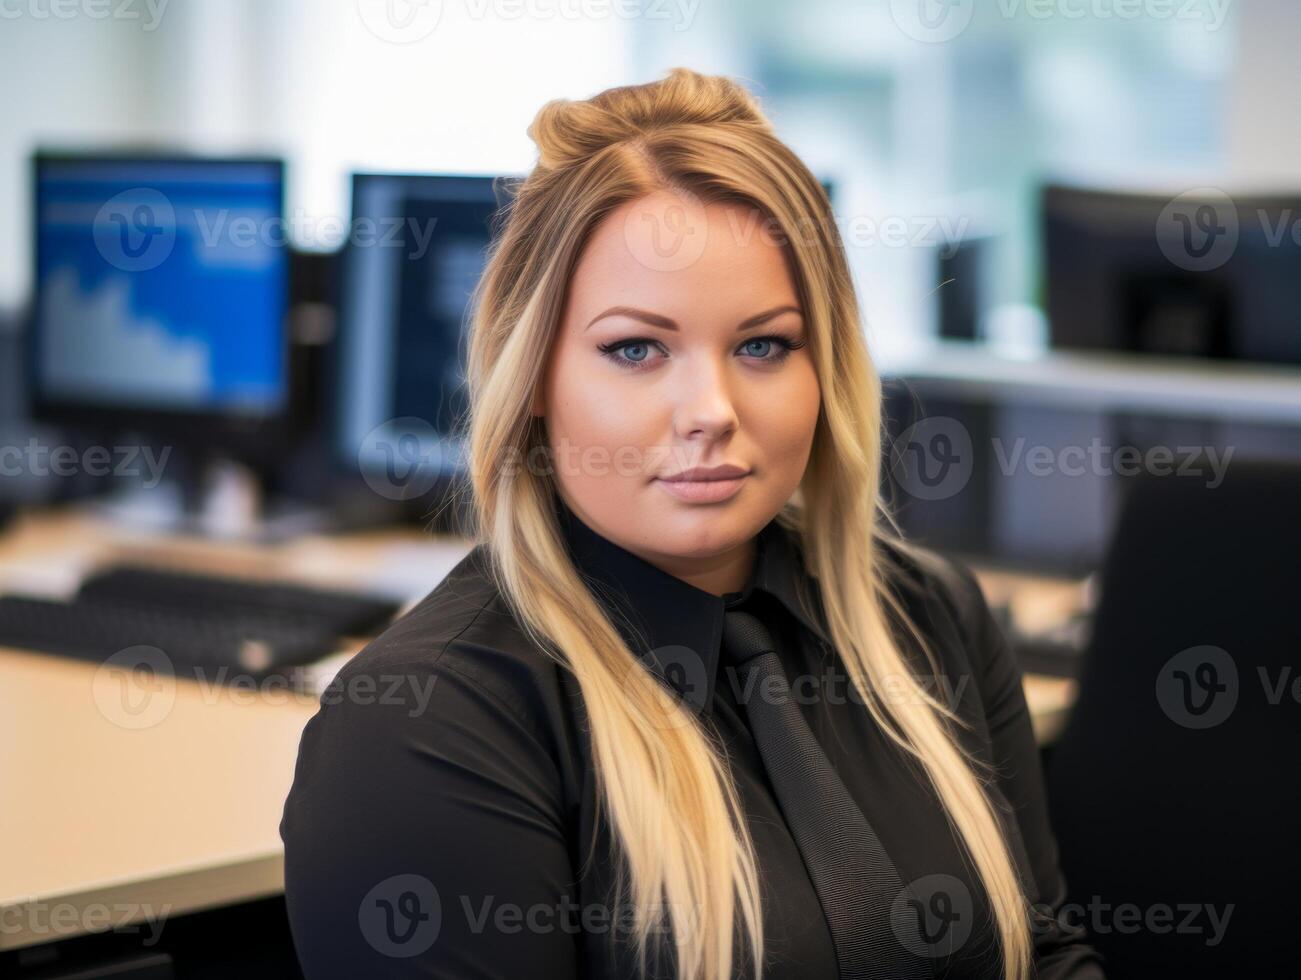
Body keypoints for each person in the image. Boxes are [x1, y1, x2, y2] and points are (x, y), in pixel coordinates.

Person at [280, 67, 1105, 980]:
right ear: (533, 377)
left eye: (764, 345)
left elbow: (1045, 957)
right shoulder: (428, 725)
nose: (709, 408)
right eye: (635, 349)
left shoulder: (929, 616)